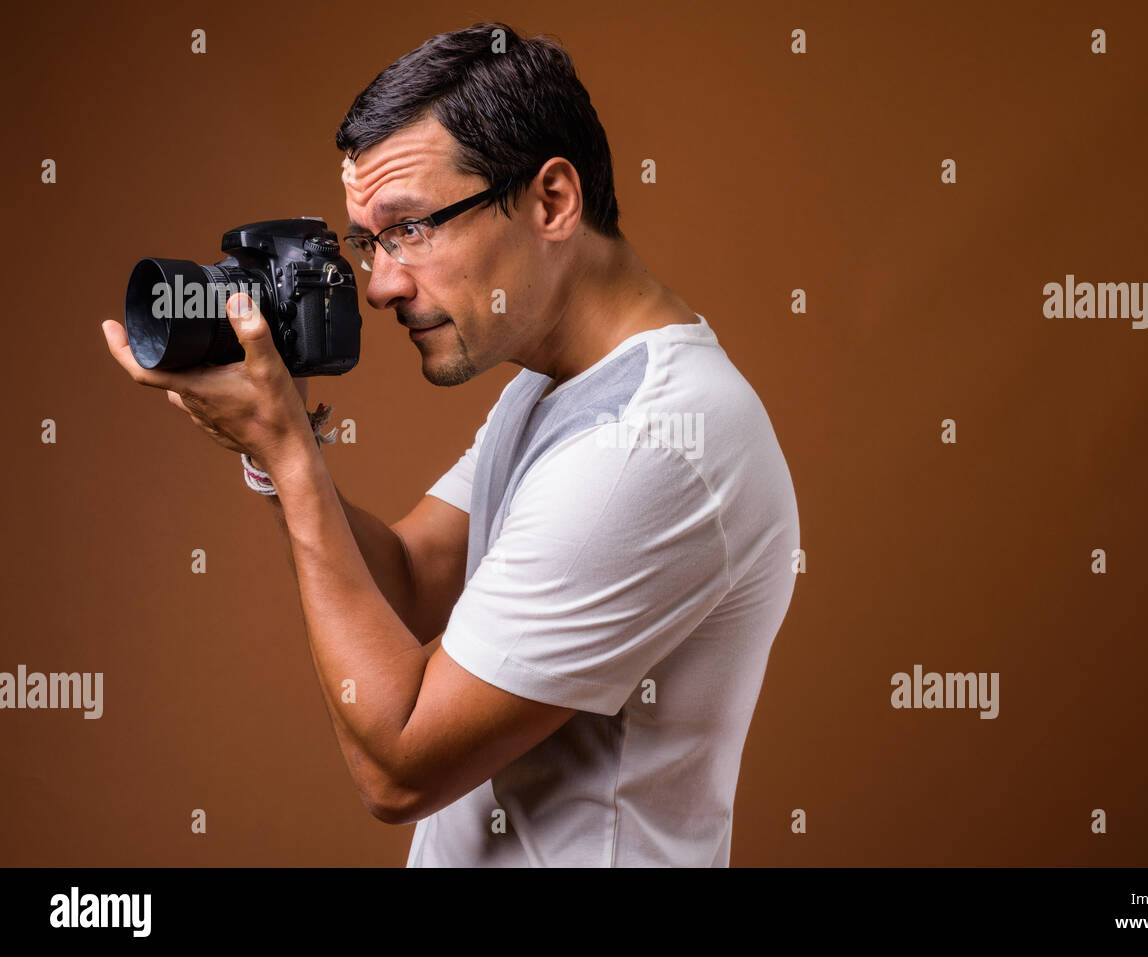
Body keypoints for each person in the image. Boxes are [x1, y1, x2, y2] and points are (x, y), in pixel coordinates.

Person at [102, 21, 799, 866]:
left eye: (411, 228)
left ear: (550, 201)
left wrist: (289, 452)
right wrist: (274, 457)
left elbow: (398, 767)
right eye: (368, 242)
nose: (383, 283)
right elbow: (408, 581)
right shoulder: (552, 389)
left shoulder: (653, 442)